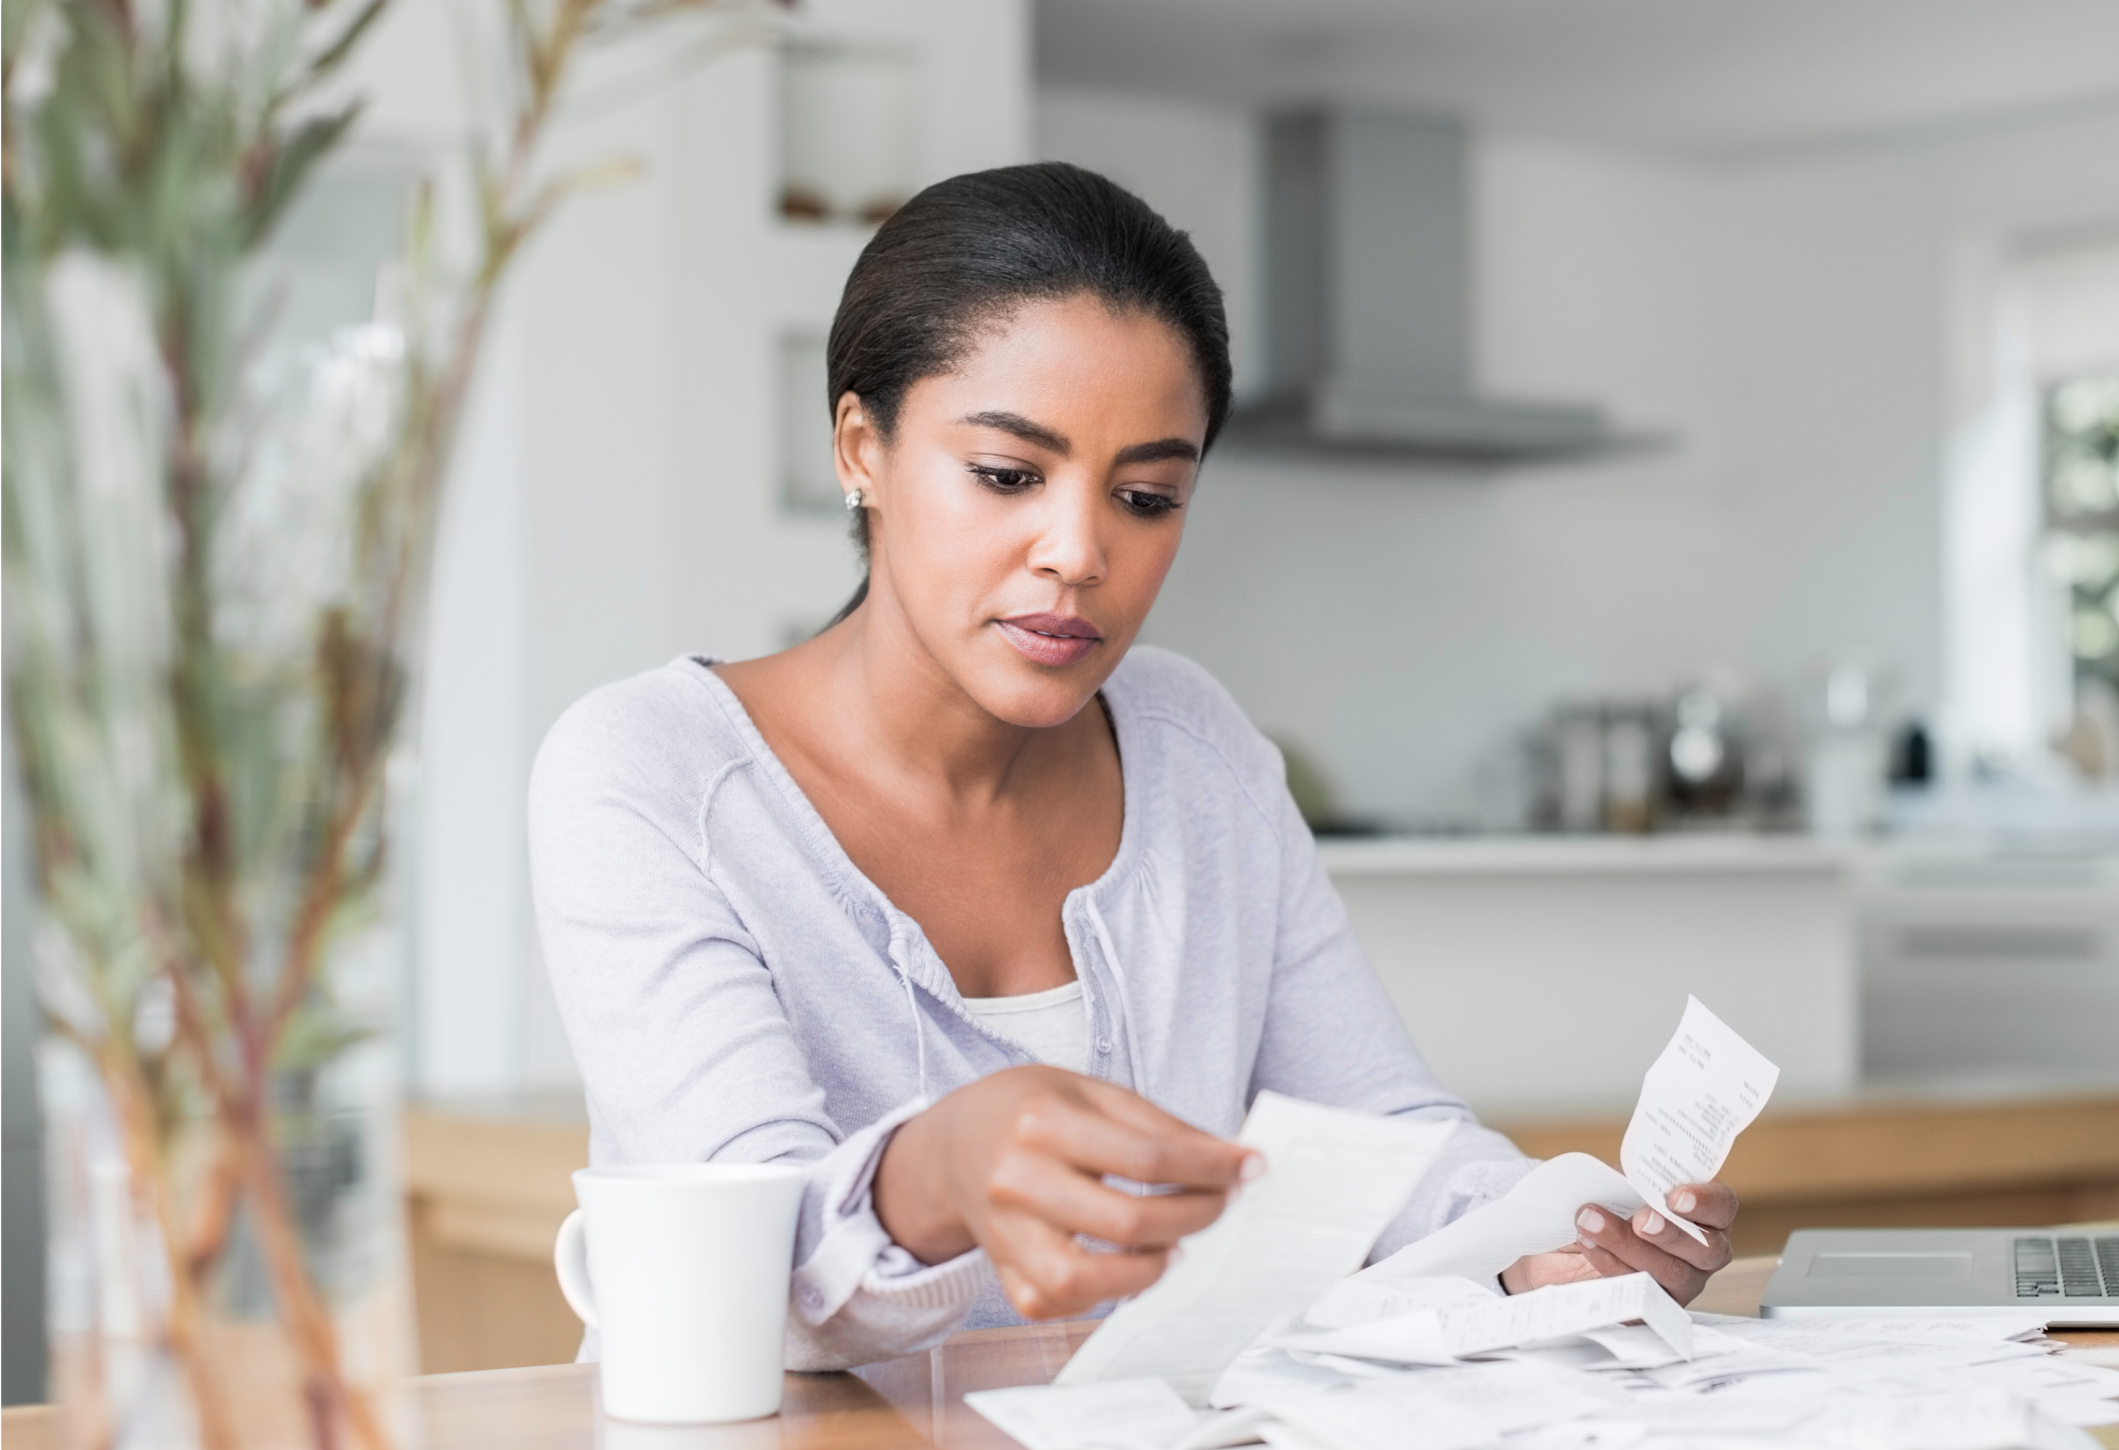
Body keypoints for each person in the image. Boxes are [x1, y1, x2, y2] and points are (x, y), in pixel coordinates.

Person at [530, 162, 1737, 1370]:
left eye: (1147, 495)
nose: (1078, 552)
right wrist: (933, 1170)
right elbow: (744, 1271)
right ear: (861, 447)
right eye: (1007, 475)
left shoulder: (1191, 745)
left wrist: (1549, 1243)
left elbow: (1386, 1131)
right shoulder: (650, 776)